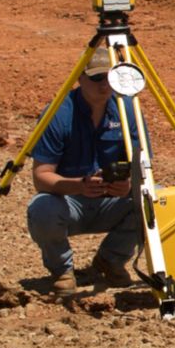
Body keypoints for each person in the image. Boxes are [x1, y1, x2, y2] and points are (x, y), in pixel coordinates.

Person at [25, 49, 141, 295]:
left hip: (111, 201)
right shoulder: (58, 113)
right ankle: (62, 271)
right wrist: (79, 185)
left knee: (155, 200)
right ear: (80, 78)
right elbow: (41, 176)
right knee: (41, 207)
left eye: (109, 78)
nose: (104, 86)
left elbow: (144, 168)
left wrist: (128, 184)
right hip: (69, 203)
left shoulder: (127, 109)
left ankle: (111, 261)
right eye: (97, 78)